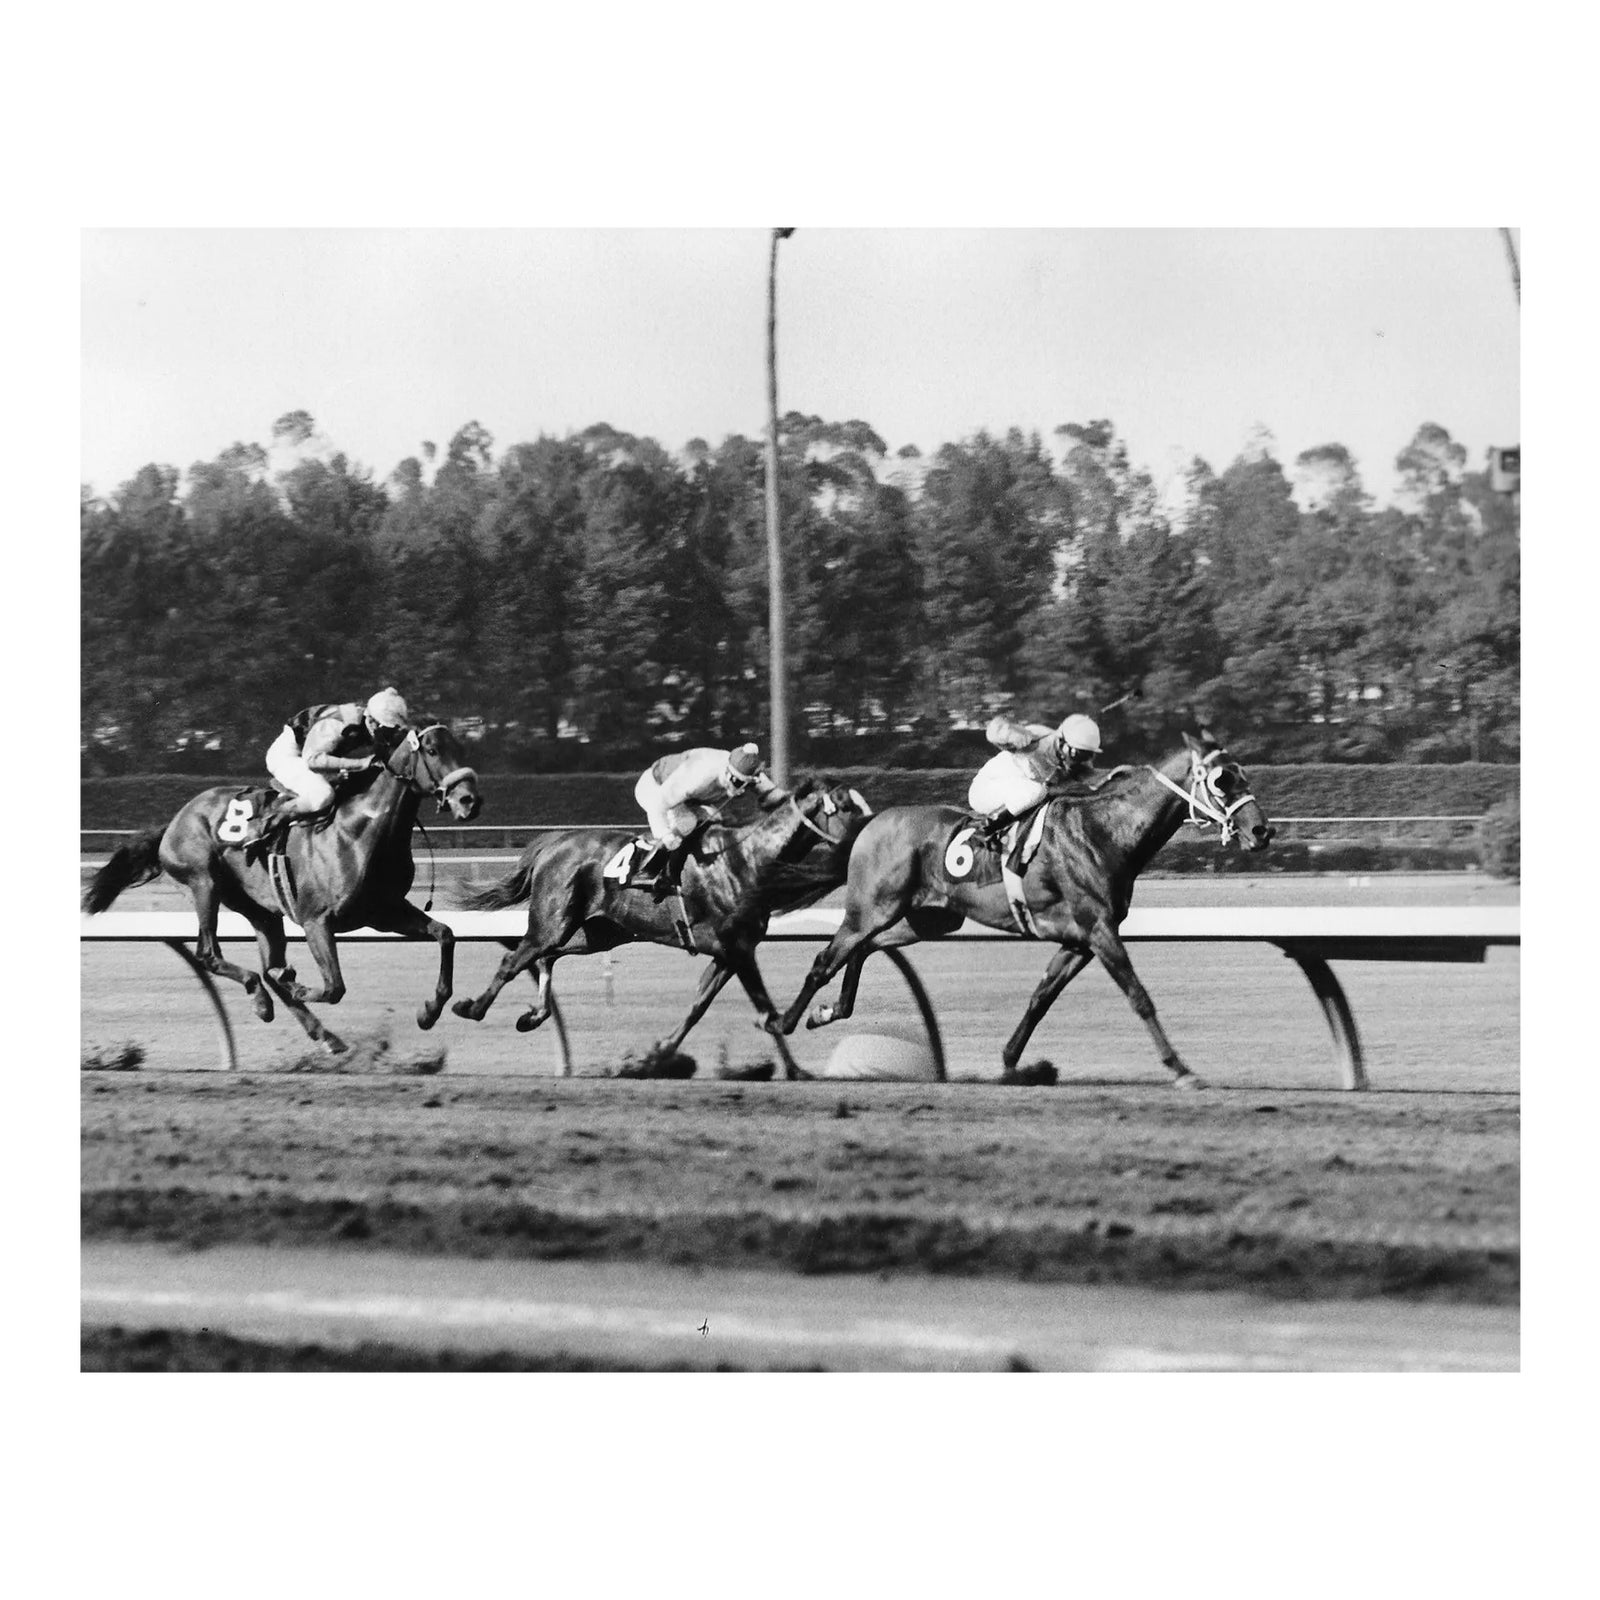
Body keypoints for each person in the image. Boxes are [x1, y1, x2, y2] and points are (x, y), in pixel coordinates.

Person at [240, 688, 414, 845]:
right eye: (385, 729)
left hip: (312, 756)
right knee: (322, 795)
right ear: (371, 719)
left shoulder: (367, 723)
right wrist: (361, 764)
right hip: (289, 755)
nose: (386, 735)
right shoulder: (337, 724)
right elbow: (313, 760)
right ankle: (262, 825)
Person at [631, 743, 779, 892]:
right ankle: (648, 872)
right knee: (687, 822)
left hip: (686, 797)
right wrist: (664, 834)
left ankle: (696, 866)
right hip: (655, 787)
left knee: (718, 819)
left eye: (748, 785)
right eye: (739, 783)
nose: (741, 790)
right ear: (727, 772)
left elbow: (775, 795)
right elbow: (658, 805)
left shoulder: (747, 771)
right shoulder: (700, 775)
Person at [967, 711, 1103, 846]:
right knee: (1037, 791)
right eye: (1078, 754)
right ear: (1062, 741)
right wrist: (1008, 731)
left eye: (1087, 755)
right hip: (985, 790)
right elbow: (992, 731)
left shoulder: (1071, 755)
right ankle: (985, 828)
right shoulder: (1036, 737)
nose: (1082, 760)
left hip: (1017, 794)